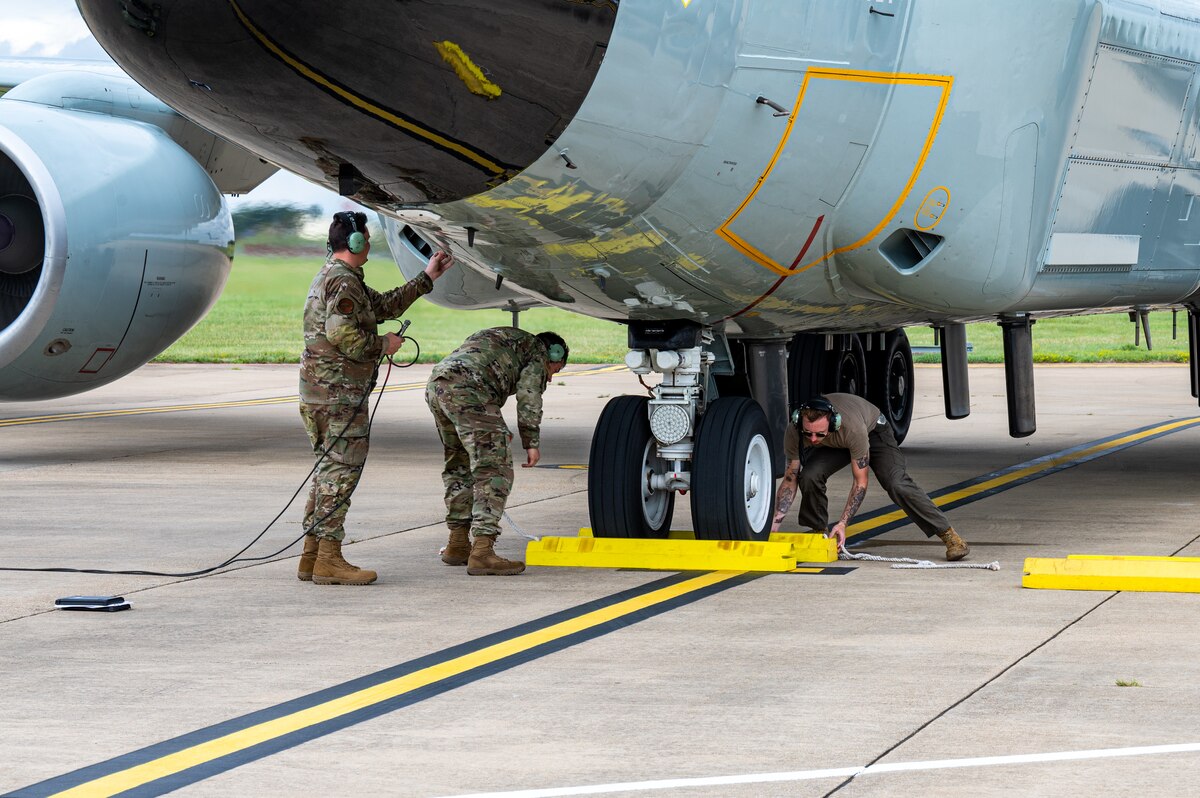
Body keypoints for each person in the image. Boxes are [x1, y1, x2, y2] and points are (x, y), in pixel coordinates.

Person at [298, 211, 453, 585]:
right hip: (337, 397)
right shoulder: (343, 283)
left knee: (327, 472)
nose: (369, 243)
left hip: (324, 394)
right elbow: (345, 337)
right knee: (341, 473)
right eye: (366, 238)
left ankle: (312, 554)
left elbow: (383, 306)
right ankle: (329, 561)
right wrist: (385, 344)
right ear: (355, 243)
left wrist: (426, 277)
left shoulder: (340, 278)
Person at [425, 327, 569, 575]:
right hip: (470, 391)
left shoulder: (502, 338)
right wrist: (531, 441)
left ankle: (458, 544)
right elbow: (529, 394)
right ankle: (482, 551)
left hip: (438, 387)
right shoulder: (536, 352)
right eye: (554, 370)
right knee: (493, 470)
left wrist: (493, 423)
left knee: (458, 464)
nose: (551, 378)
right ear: (553, 355)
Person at [772, 393, 970, 561]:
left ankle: (949, 535)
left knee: (896, 482)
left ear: (833, 424)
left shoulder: (852, 429)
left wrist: (843, 524)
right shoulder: (795, 431)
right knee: (809, 475)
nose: (813, 440)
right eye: (809, 434)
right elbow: (790, 479)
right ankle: (819, 534)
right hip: (836, 444)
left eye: (819, 434)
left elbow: (860, 481)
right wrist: (773, 528)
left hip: (874, 432)